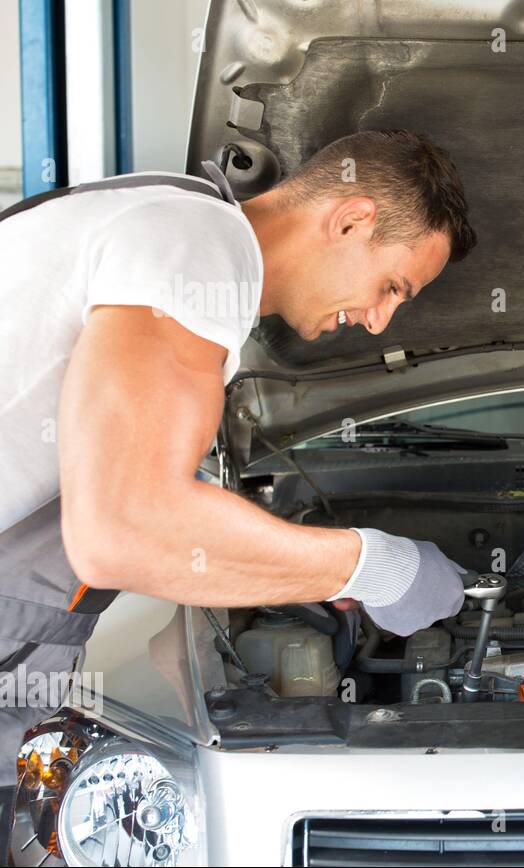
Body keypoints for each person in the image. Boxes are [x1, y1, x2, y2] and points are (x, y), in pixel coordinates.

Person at [0, 129, 478, 789]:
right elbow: (122, 529)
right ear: (351, 219)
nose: (378, 322)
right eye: (392, 286)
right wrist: (368, 565)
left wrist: (315, 575)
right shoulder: (197, 245)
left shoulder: (172, 231)